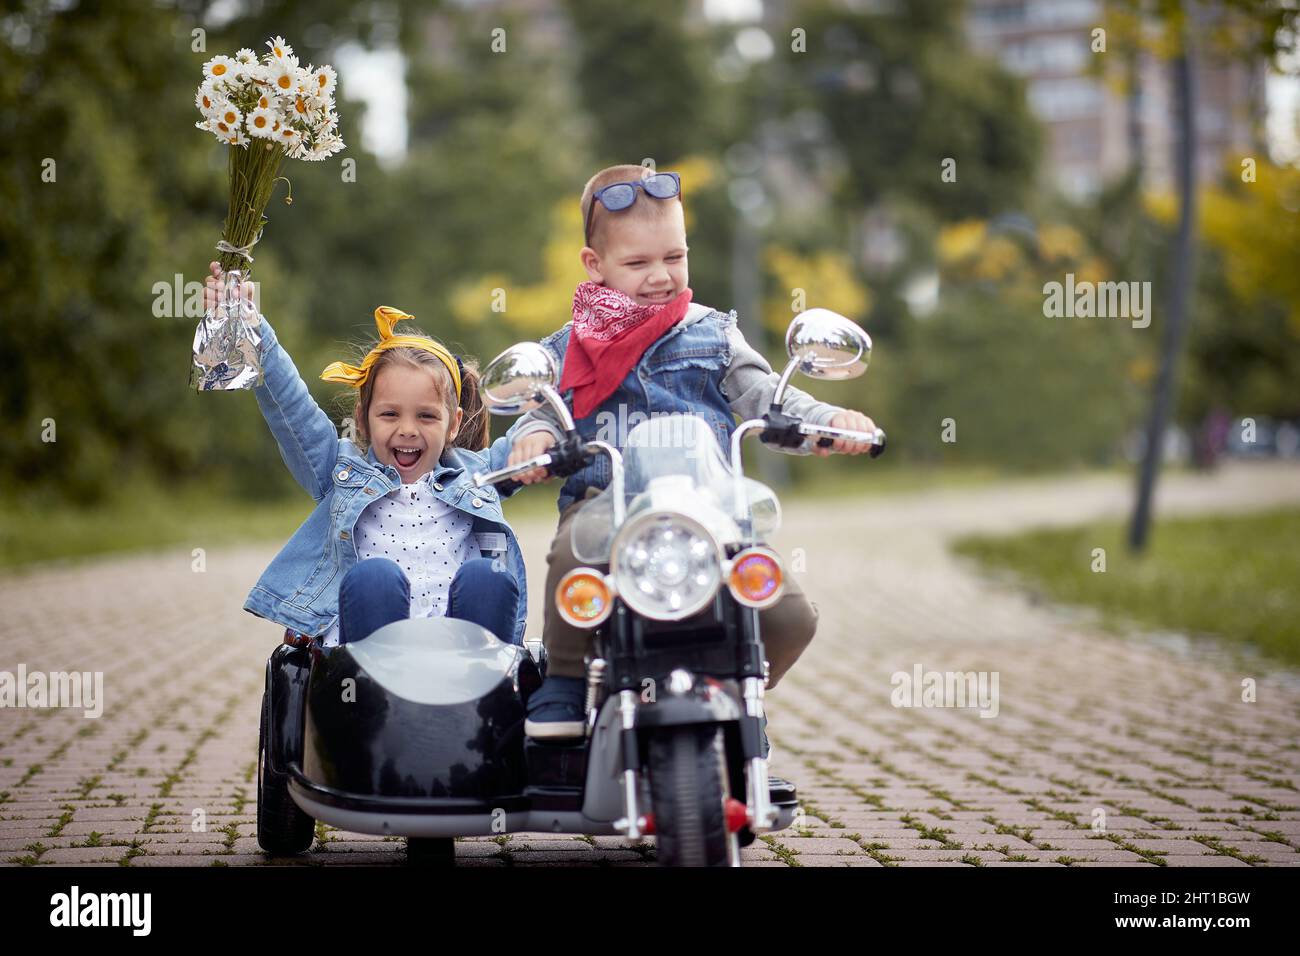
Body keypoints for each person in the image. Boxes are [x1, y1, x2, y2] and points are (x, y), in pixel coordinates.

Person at [503, 166, 879, 740]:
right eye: (638, 263)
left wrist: (829, 421)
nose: (660, 276)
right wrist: (536, 440)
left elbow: (766, 395)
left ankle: (733, 682)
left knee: (790, 616)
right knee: (569, 555)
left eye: (674, 258)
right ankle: (565, 678)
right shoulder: (568, 348)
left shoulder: (715, 334)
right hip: (608, 508)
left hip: (709, 513)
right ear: (594, 265)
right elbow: (541, 409)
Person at [202, 262, 528, 648]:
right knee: (374, 578)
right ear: (363, 418)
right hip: (366, 672)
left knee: (487, 576)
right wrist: (249, 326)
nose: (407, 429)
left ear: (453, 424)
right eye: (390, 414)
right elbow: (292, 408)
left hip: (461, 660)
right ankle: (372, 700)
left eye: (426, 416)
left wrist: (598, 340)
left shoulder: (480, 474)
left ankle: (485, 698)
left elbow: (542, 428)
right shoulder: (338, 470)